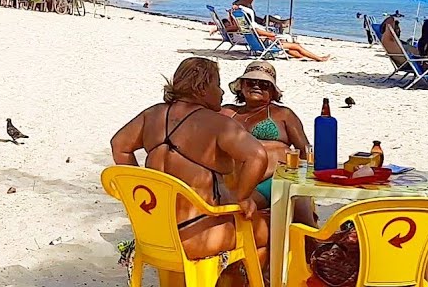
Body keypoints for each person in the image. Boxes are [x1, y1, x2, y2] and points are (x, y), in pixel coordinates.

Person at [109, 58, 269, 284]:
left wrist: (138, 187)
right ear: (202, 87)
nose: (222, 92)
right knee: (264, 231)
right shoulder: (217, 123)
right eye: (217, 84)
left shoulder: (152, 115)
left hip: (153, 235)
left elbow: (120, 145)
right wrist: (242, 198)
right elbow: (257, 156)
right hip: (196, 236)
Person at [221, 61, 315, 228]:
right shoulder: (227, 111)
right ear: (241, 86)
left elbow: (306, 152)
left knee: (288, 187)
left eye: (264, 84)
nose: (257, 87)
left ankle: (313, 237)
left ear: (272, 91)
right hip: (232, 178)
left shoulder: (283, 114)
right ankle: (316, 239)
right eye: (251, 82)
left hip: (271, 180)